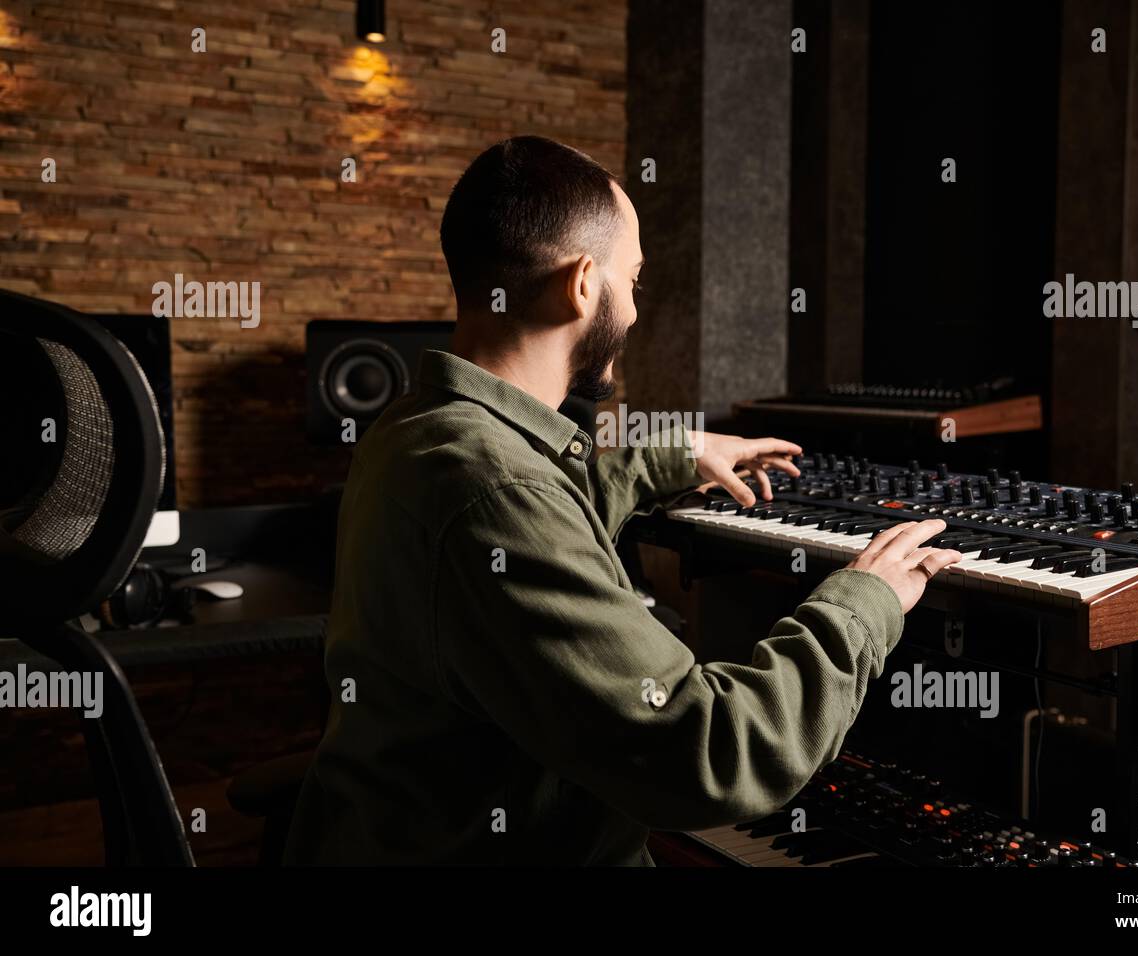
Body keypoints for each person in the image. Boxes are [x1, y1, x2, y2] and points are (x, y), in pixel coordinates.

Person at [284, 135, 961, 865]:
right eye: (633, 281)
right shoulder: (496, 494)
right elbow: (710, 755)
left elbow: (533, 533)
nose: (635, 312)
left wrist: (668, 455)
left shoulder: (418, 430)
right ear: (582, 285)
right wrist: (863, 603)